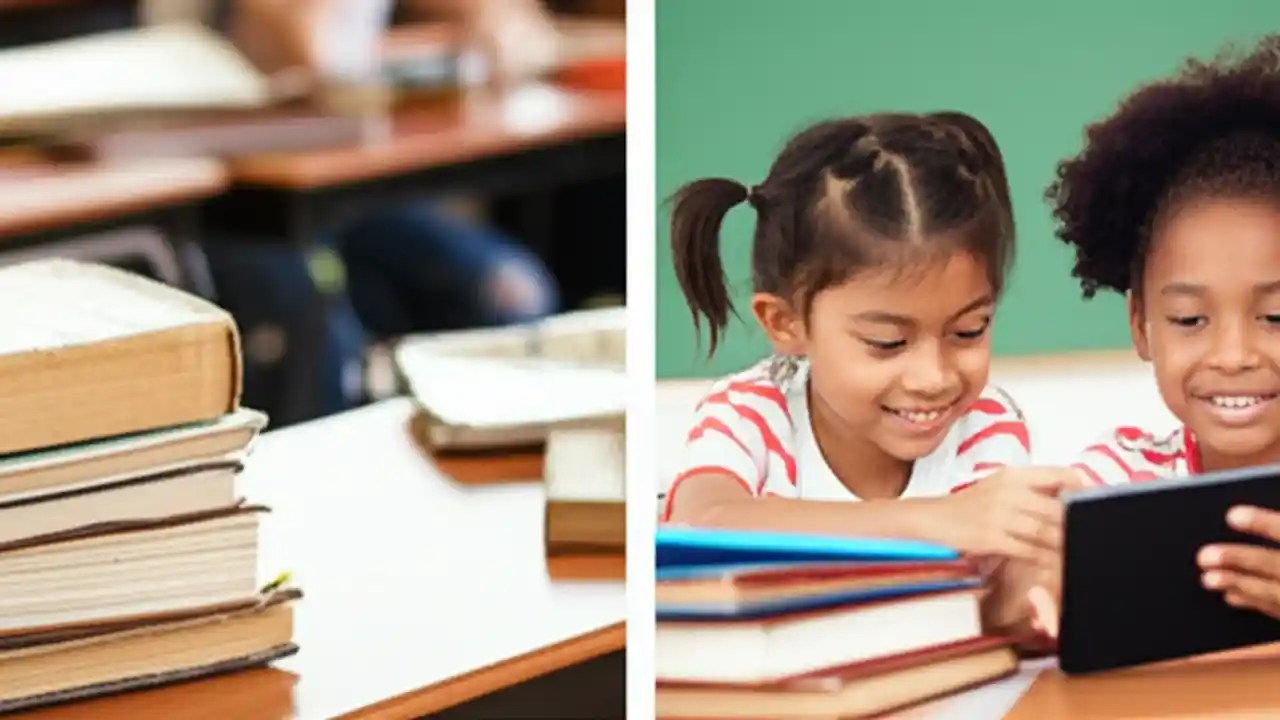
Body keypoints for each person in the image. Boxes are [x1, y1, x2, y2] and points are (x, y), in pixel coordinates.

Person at [659, 112, 1085, 639]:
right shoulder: (750, 412)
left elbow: (988, 602)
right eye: (887, 343)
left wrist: (1031, 596)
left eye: (969, 331)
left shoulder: (984, 424)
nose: (933, 377)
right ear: (786, 323)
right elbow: (701, 525)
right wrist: (933, 520)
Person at [1029, 34, 1280, 635]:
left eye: (1276, 317)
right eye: (1190, 320)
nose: (1233, 356)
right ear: (1141, 326)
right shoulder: (1115, 483)